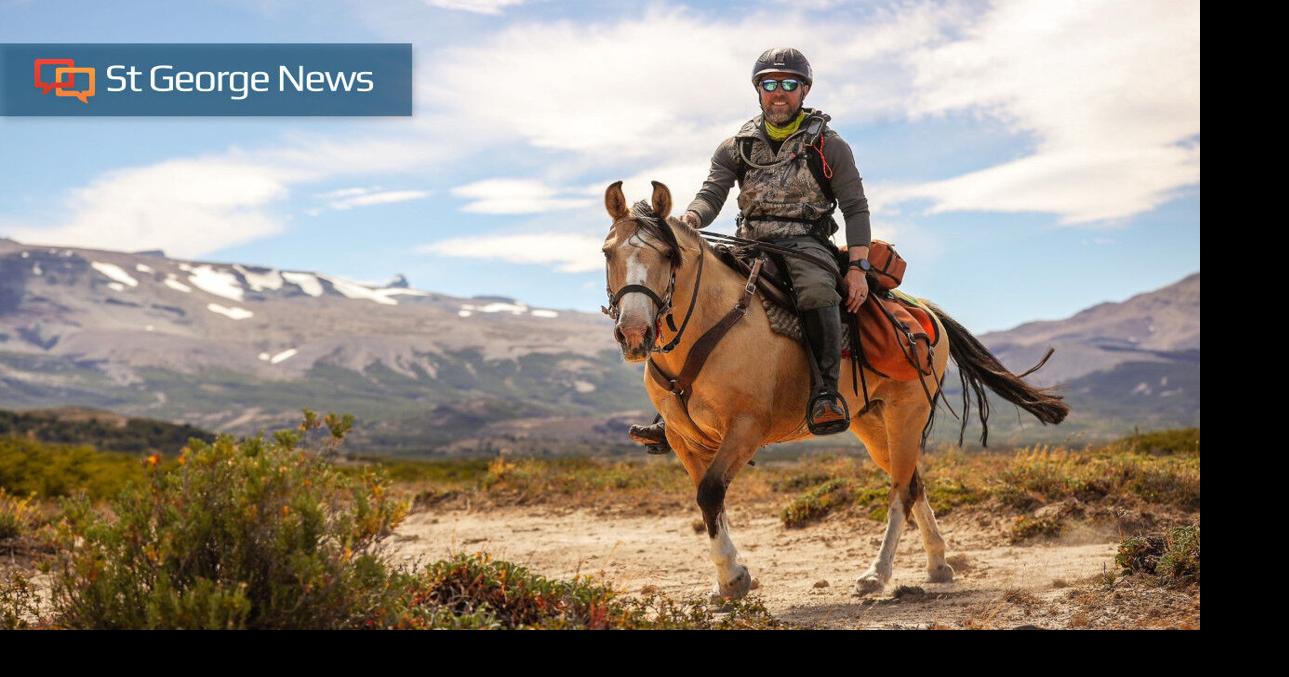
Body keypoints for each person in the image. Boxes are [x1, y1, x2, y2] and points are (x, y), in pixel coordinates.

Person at [630, 47, 873, 453]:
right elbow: (712, 193)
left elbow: (855, 206)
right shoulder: (735, 147)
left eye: (789, 84)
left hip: (805, 243)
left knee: (816, 292)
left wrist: (858, 267)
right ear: (759, 91)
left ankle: (827, 393)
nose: (779, 93)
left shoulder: (830, 146)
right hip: (749, 241)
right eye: (770, 84)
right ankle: (671, 411)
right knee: (693, 288)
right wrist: (692, 218)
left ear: (804, 90)